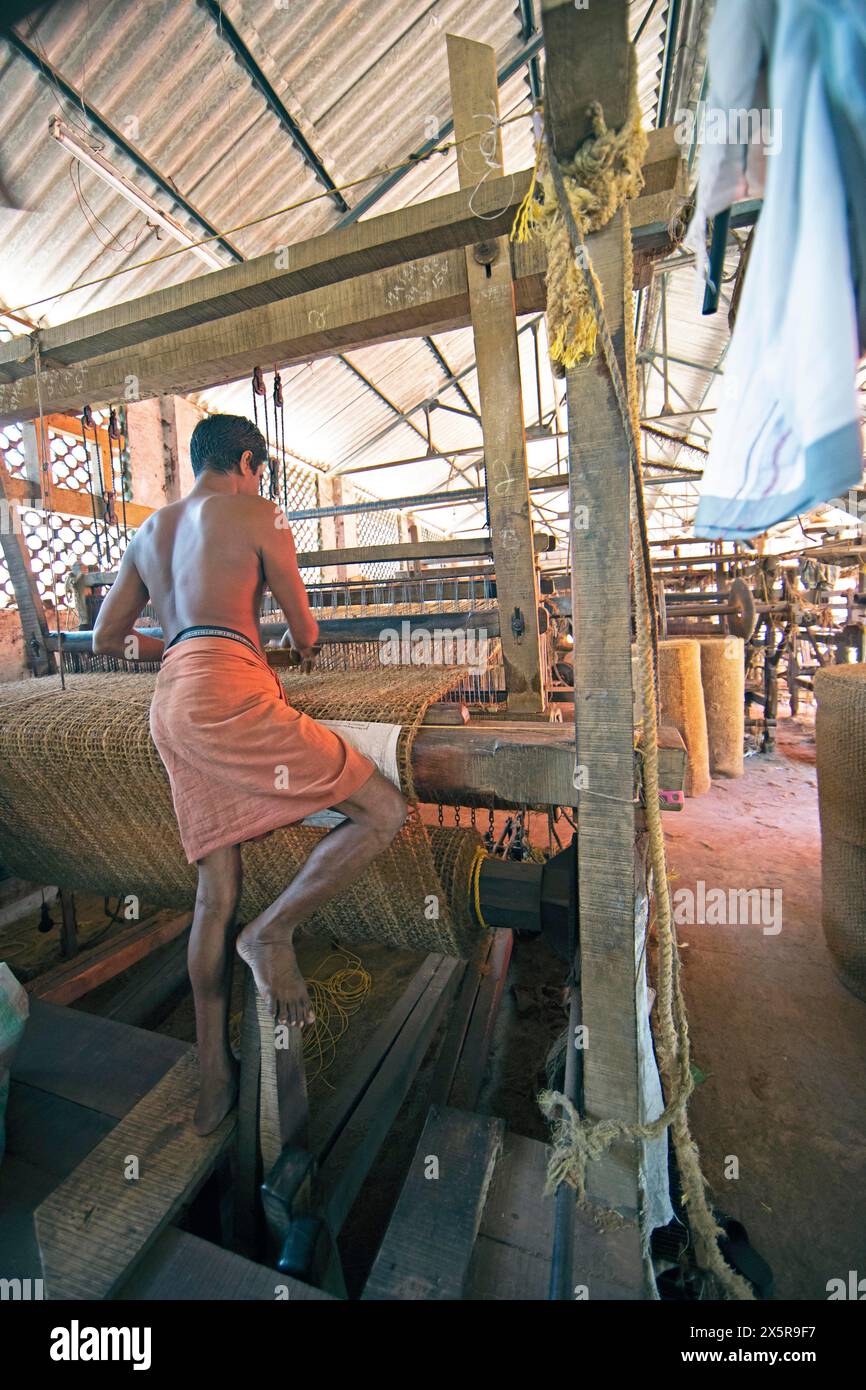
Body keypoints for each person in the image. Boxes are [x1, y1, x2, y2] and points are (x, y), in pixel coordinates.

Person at [93, 414, 407, 1133]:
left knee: (215, 889)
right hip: (229, 690)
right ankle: (272, 934)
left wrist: (179, 642)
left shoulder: (149, 531)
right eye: (261, 471)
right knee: (382, 811)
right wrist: (261, 643)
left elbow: (107, 639)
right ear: (246, 461)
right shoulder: (261, 512)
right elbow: (307, 633)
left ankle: (214, 1080)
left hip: (170, 700)